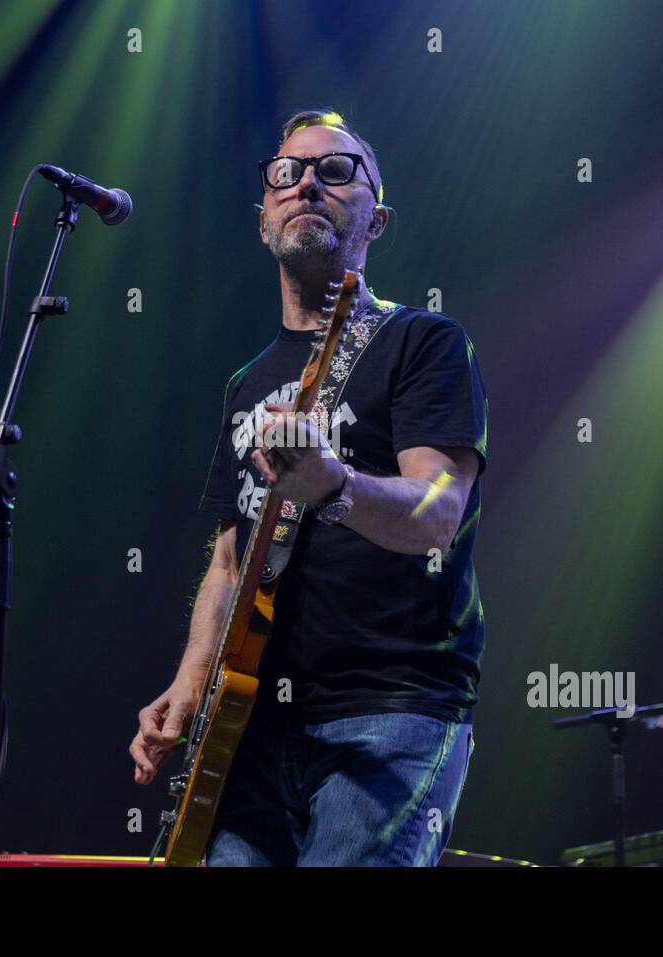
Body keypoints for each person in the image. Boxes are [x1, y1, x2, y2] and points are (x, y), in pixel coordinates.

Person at [129, 109, 489, 866]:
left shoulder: (421, 342)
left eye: (335, 171)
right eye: (287, 173)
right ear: (264, 219)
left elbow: (438, 513)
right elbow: (230, 562)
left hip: (389, 705)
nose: (306, 186)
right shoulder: (244, 384)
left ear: (377, 218)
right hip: (250, 724)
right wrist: (190, 683)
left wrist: (334, 483)